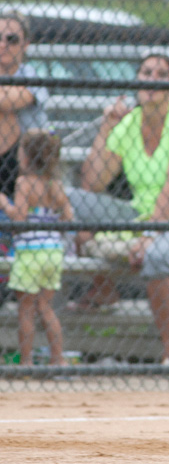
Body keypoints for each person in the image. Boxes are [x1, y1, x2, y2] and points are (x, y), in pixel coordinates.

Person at [76, 50, 169, 364]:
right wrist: (107, 127)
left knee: (157, 255)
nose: (151, 80)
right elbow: (94, 183)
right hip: (140, 214)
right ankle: (105, 289)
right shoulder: (130, 122)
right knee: (74, 202)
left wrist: (149, 236)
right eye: (146, 73)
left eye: (160, 74)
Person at [0, 129, 74, 369]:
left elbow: (19, 217)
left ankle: (27, 361)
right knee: (46, 307)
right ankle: (58, 359)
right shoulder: (54, 183)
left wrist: (4, 202)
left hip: (30, 252)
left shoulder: (23, 183)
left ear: (26, 157)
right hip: (52, 251)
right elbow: (68, 216)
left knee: (27, 309)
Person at [0, 12, 50, 201]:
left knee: (6, 114)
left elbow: (13, 101)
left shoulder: (29, 74)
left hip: (25, 163)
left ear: (25, 44)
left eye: (12, 39)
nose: (3, 45)